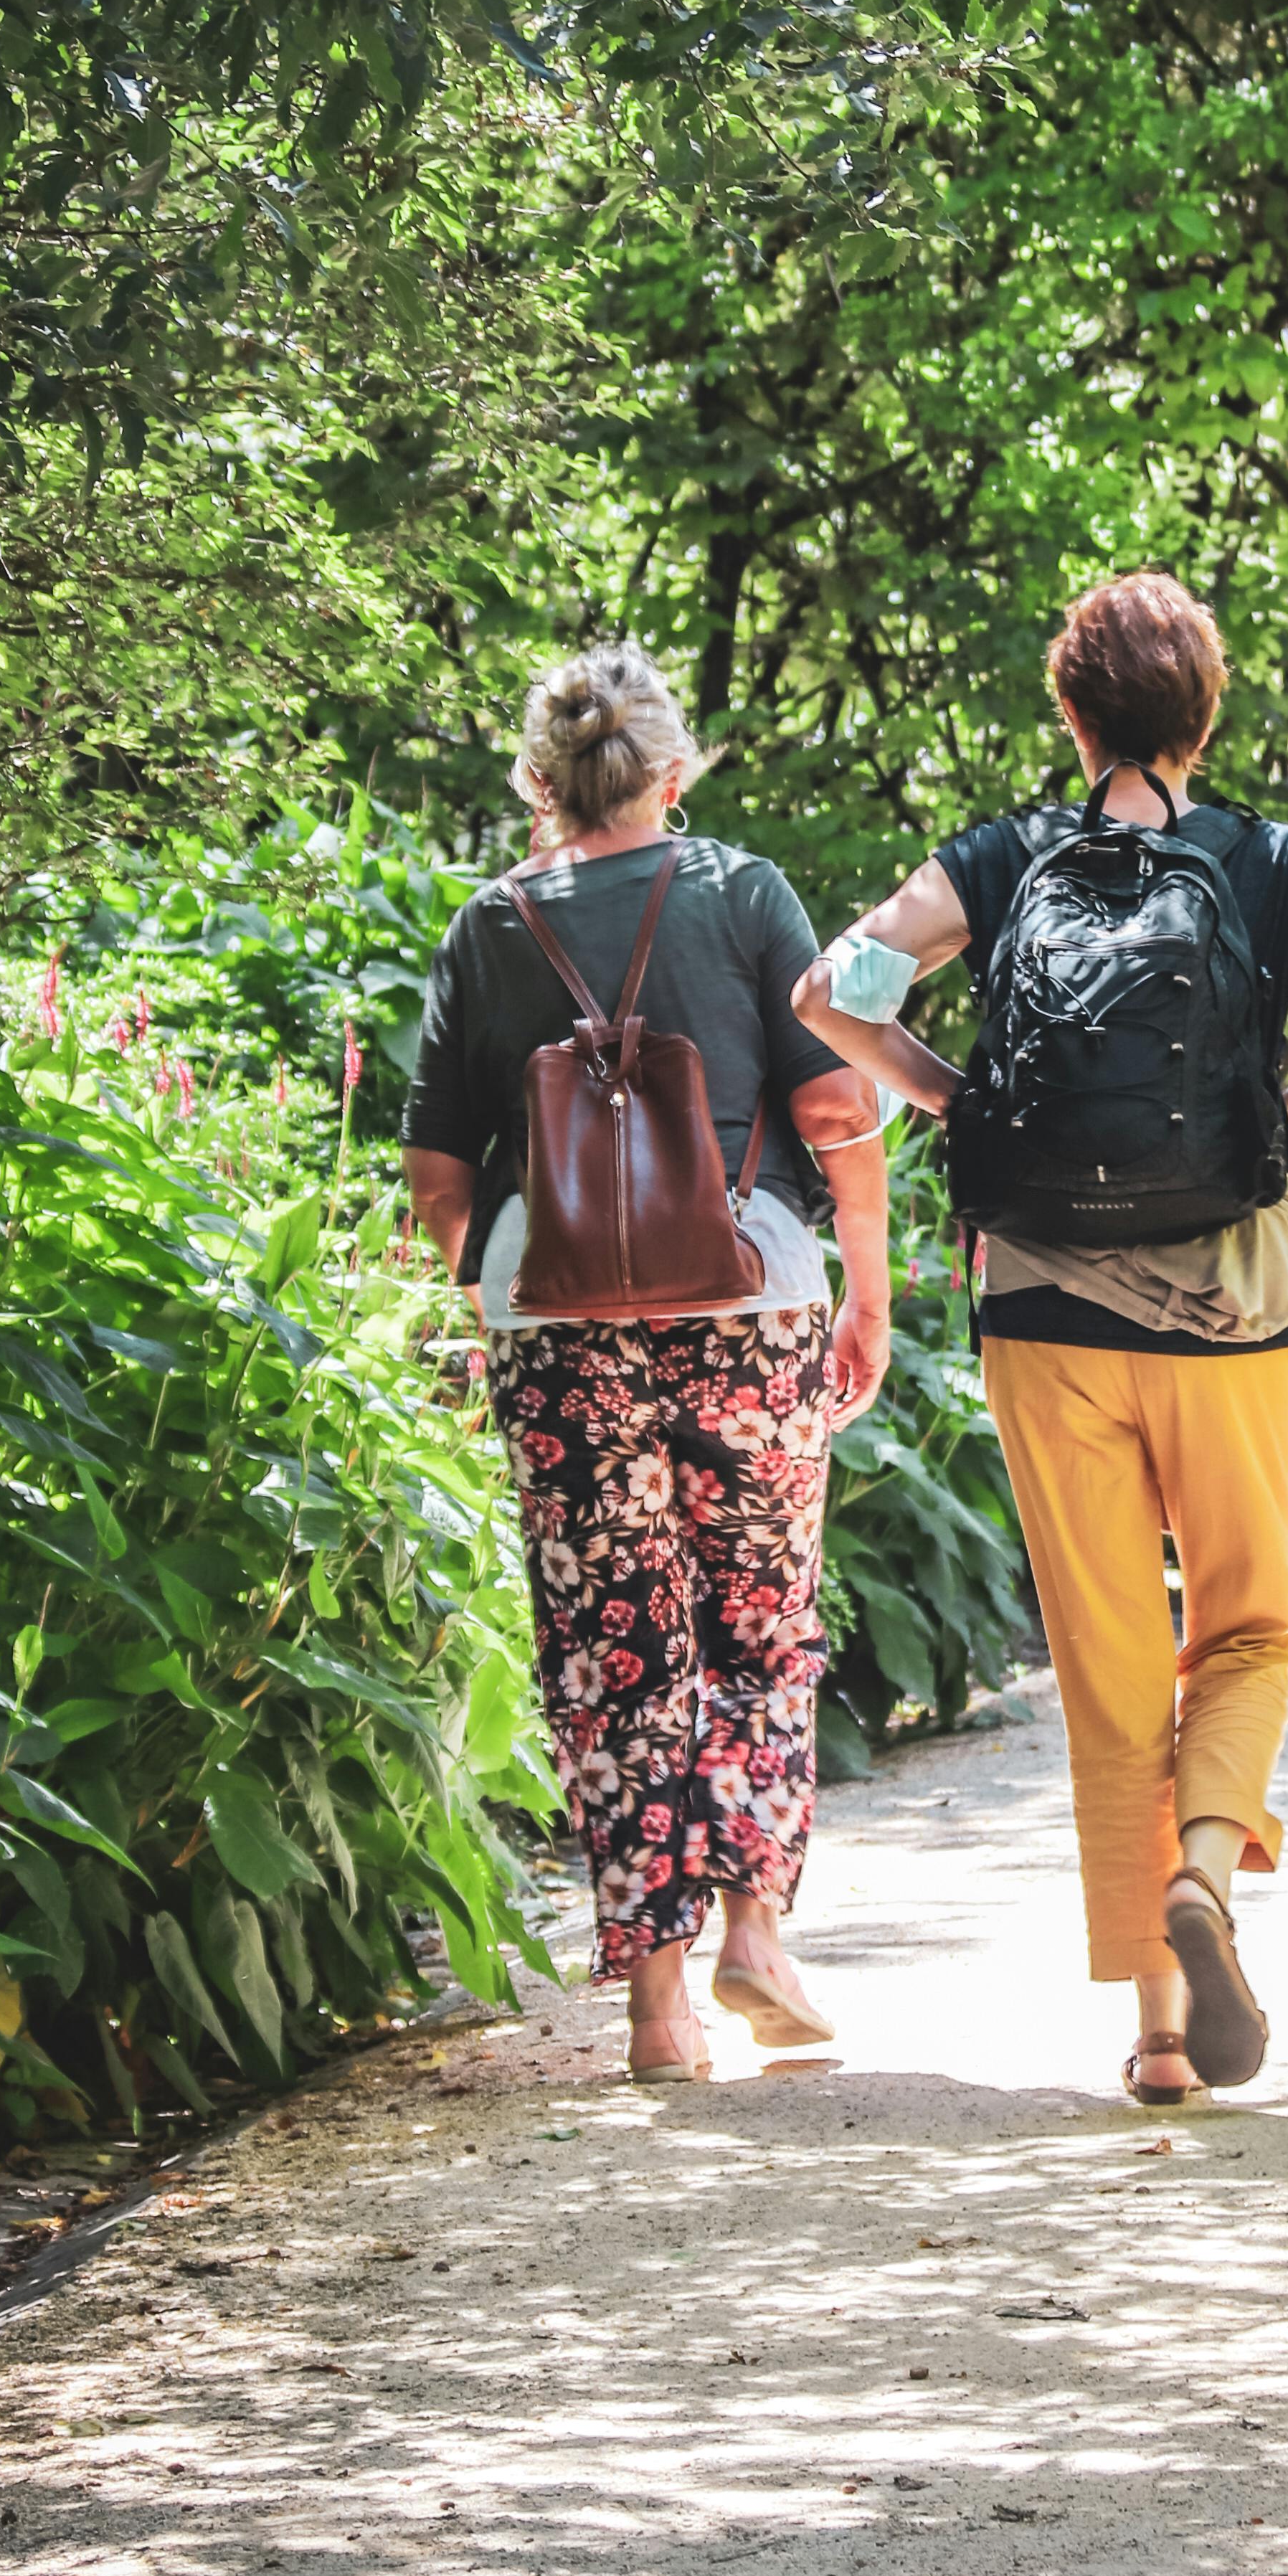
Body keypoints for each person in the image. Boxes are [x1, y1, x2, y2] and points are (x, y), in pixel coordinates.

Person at [795, 571, 1288, 2104]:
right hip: (1232, 1305)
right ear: (1201, 719)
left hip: (1043, 1307)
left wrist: (956, 1097)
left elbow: (828, 993)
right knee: (1247, 1627)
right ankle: (1204, 1874)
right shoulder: (1263, 860)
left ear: (1073, 715)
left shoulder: (1001, 859)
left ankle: (1160, 2033)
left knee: (1111, 1661)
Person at [402, 645, 891, 2086]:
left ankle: (659, 2012)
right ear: (673, 775)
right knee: (760, 1618)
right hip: (749, 1299)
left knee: (611, 1641)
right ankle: (757, 1935)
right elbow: (835, 1107)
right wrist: (866, 1289)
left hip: (556, 1327)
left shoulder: (488, 927)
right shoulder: (742, 893)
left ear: (536, 783)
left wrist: (506, 1295)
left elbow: (436, 1173)